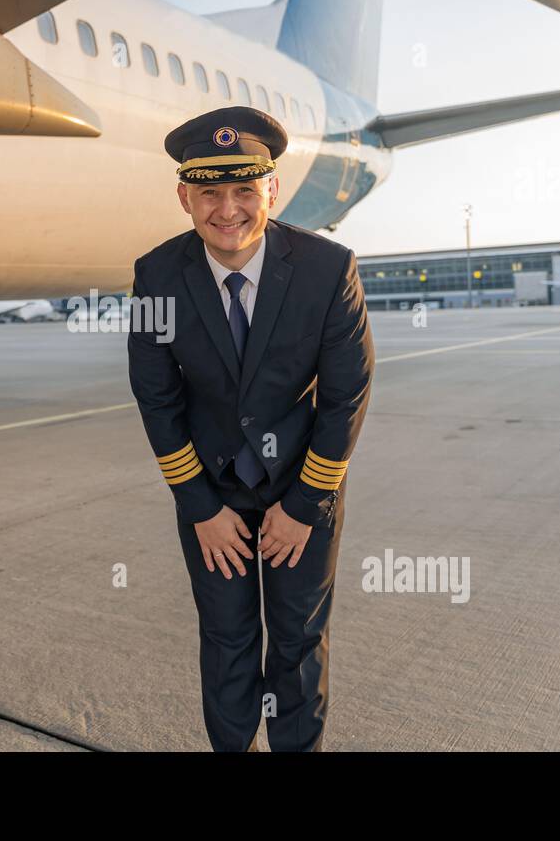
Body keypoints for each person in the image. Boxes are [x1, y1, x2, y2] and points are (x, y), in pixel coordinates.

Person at [127, 106, 374, 751]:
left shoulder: (329, 270)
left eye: (244, 189)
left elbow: (346, 396)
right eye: (209, 192)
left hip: (301, 483)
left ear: (272, 189)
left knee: (295, 641)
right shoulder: (156, 276)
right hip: (213, 492)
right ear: (185, 197)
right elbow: (157, 398)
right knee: (227, 638)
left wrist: (304, 504)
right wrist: (200, 507)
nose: (227, 209)